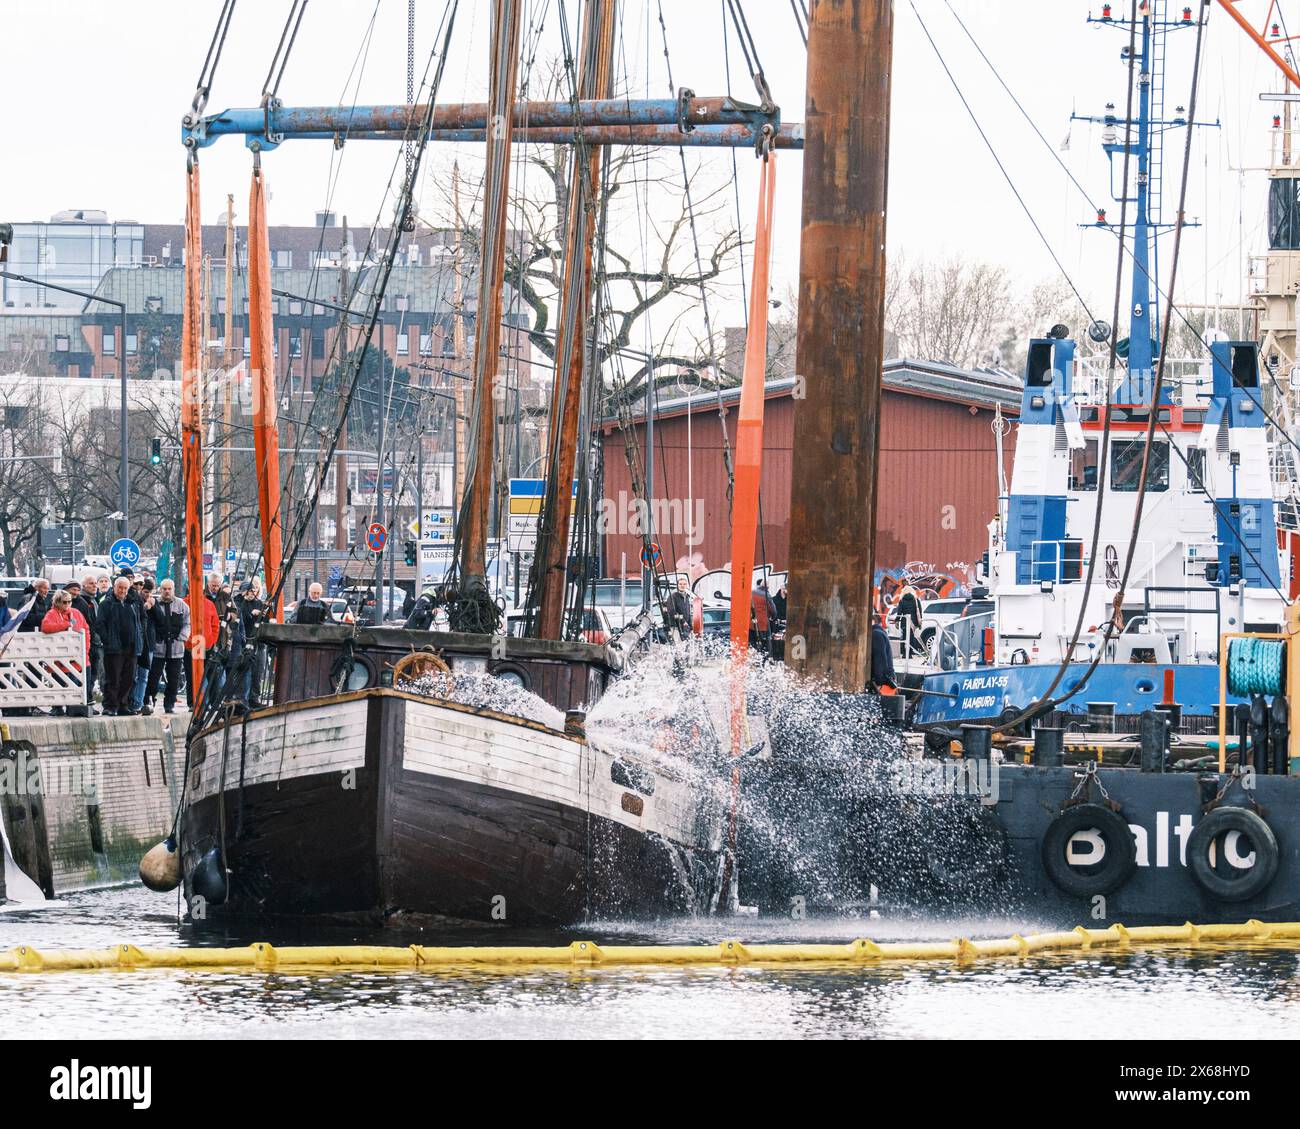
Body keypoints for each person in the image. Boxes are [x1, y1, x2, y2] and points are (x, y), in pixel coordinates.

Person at [41, 588, 91, 715]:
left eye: (69, 602)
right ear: (57, 602)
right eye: (64, 602)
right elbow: (45, 627)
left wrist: (85, 649)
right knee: (59, 683)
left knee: (76, 684)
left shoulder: (77, 613)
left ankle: (73, 707)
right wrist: (65, 625)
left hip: (78, 657)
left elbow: (86, 630)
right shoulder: (51, 614)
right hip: (59, 659)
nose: (68, 604)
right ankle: (57, 708)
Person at [145, 579, 190, 715]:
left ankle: (169, 704)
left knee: (174, 679)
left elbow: (187, 623)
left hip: (176, 649)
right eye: (164, 589)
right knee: (153, 677)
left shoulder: (181, 605)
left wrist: (183, 637)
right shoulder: (155, 604)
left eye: (169, 588)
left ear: (173, 589)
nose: (167, 591)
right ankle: (149, 701)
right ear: (160, 590)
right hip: (159, 648)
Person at [98, 577, 139, 716]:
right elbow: (100, 624)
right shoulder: (106, 603)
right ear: (114, 587)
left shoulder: (132, 603)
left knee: (129, 678)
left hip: (131, 647)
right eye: (120, 587)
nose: (122, 590)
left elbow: (139, 622)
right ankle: (111, 705)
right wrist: (107, 640)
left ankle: (123, 704)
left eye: (125, 588)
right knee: (113, 678)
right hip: (114, 647)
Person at [892, 580, 924, 658]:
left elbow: (899, 613)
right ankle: (910, 653)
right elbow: (919, 611)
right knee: (911, 637)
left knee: (904, 637)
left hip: (904, 621)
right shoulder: (916, 600)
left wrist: (897, 620)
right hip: (913, 621)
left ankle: (904, 654)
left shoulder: (902, 600)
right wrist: (919, 622)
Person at [869, 622, 897, 693]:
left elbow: (880, 662)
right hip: (886, 679)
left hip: (883, 683)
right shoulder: (879, 633)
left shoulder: (876, 635)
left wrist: (879, 682)